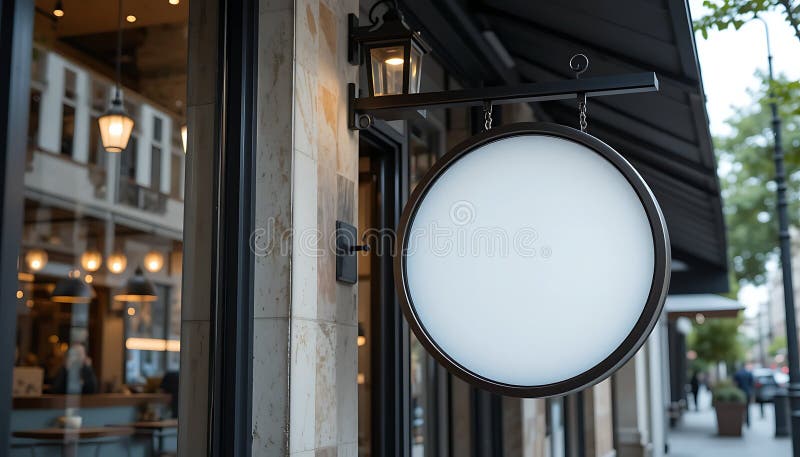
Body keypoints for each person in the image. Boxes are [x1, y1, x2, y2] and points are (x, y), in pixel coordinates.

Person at [733, 363, 754, 427]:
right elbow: (752, 384)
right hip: (747, 392)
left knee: (740, 408)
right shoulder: (749, 374)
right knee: (747, 408)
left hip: (740, 393)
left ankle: (741, 421)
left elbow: (735, 384)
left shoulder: (737, 374)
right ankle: (748, 422)